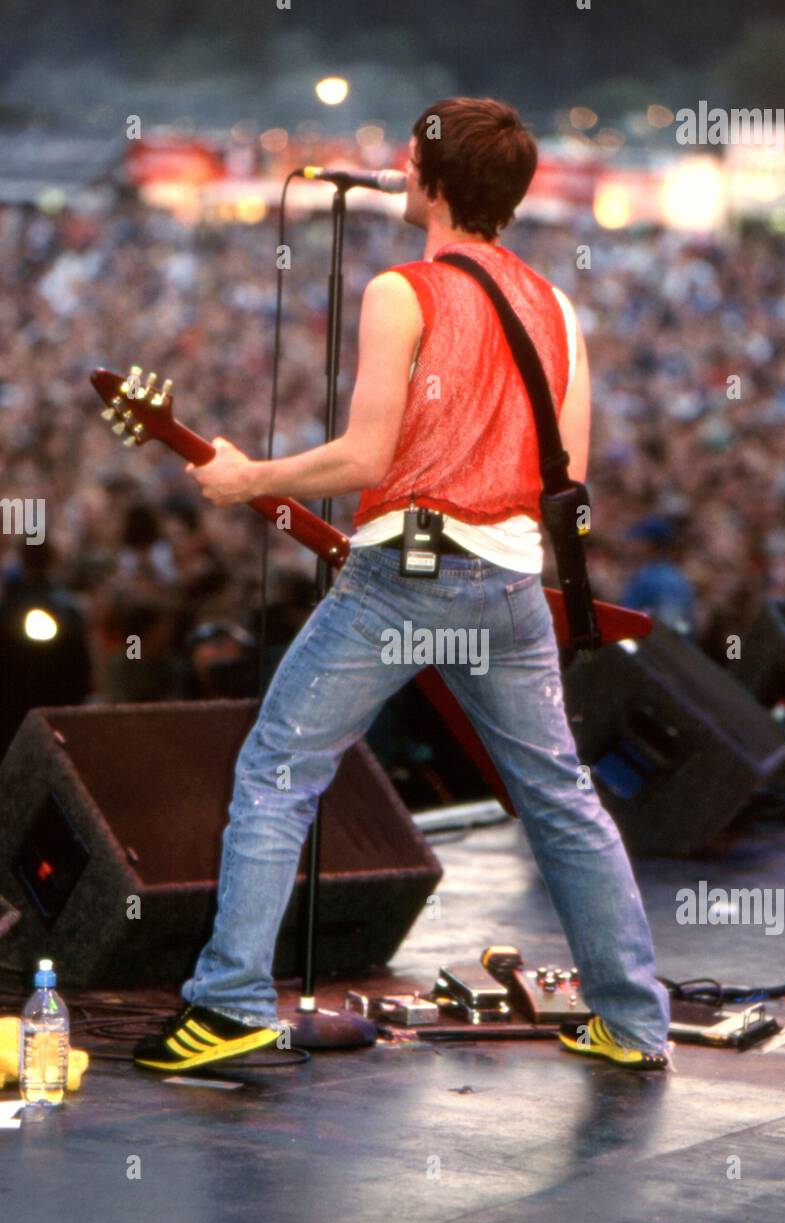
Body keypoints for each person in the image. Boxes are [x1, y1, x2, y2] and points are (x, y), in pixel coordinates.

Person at [133, 97, 672, 1074]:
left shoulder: (401, 290)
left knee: (276, 773)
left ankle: (227, 1002)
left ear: (427, 181)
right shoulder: (555, 308)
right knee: (558, 796)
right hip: (509, 588)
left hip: (397, 578)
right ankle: (633, 1022)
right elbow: (570, 474)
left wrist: (245, 476)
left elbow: (365, 454)